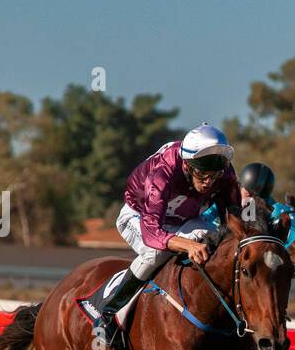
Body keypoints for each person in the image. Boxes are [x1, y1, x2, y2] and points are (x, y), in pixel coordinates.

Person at [83, 123, 241, 336]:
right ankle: (108, 312)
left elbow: (234, 222)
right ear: (187, 166)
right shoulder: (163, 172)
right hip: (139, 217)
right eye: (202, 175)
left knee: (215, 243)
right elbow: (152, 233)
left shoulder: (226, 174)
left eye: (214, 176)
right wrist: (188, 245)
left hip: (185, 219)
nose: (208, 183)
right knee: (157, 253)